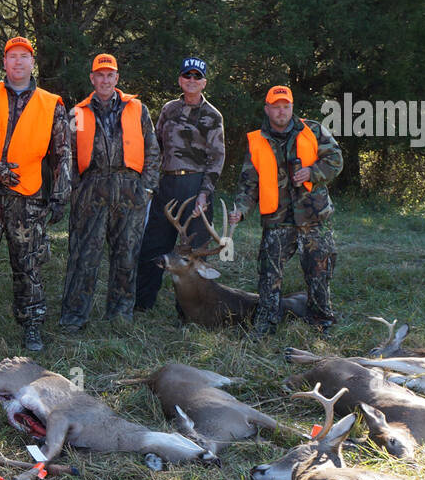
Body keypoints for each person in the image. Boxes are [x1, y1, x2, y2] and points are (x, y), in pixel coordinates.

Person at [0, 36, 70, 352]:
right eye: (12, 57)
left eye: (24, 57)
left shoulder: (51, 103)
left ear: (32, 63)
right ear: (4, 63)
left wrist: (60, 194)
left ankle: (31, 325)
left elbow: (61, 152)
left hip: (28, 198)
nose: (18, 62)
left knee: (28, 265)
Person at [229, 85, 344, 336]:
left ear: (292, 107)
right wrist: (241, 210)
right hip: (277, 219)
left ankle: (321, 321)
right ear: (267, 109)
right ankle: (265, 323)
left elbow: (336, 161)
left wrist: (312, 173)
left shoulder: (313, 130)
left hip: (314, 217)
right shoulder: (257, 141)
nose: (281, 112)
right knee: (269, 275)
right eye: (276, 107)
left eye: (286, 107)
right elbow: (249, 183)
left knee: (319, 271)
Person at [59, 53, 160, 330]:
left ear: (117, 78)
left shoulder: (138, 108)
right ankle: (74, 317)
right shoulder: (77, 112)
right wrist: (75, 189)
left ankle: (120, 316)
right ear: (92, 79)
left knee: (126, 254)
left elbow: (152, 148)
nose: (104, 79)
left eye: (110, 75)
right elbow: (68, 154)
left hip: (130, 188)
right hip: (92, 188)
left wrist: (148, 187)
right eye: (99, 75)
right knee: (84, 256)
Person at [135, 57, 226, 312]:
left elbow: (217, 157)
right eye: (188, 76)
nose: (192, 80)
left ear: (204, 82)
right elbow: (156, 147)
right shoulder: (169, 109)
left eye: (197, 77)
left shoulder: (212, 115)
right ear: (180, 79)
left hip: (196, 187)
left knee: (195, 253)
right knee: (153, 245)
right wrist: (151, 182)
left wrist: (204, 194)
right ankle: (142, 304)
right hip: (167, 186)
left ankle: (192, 310)